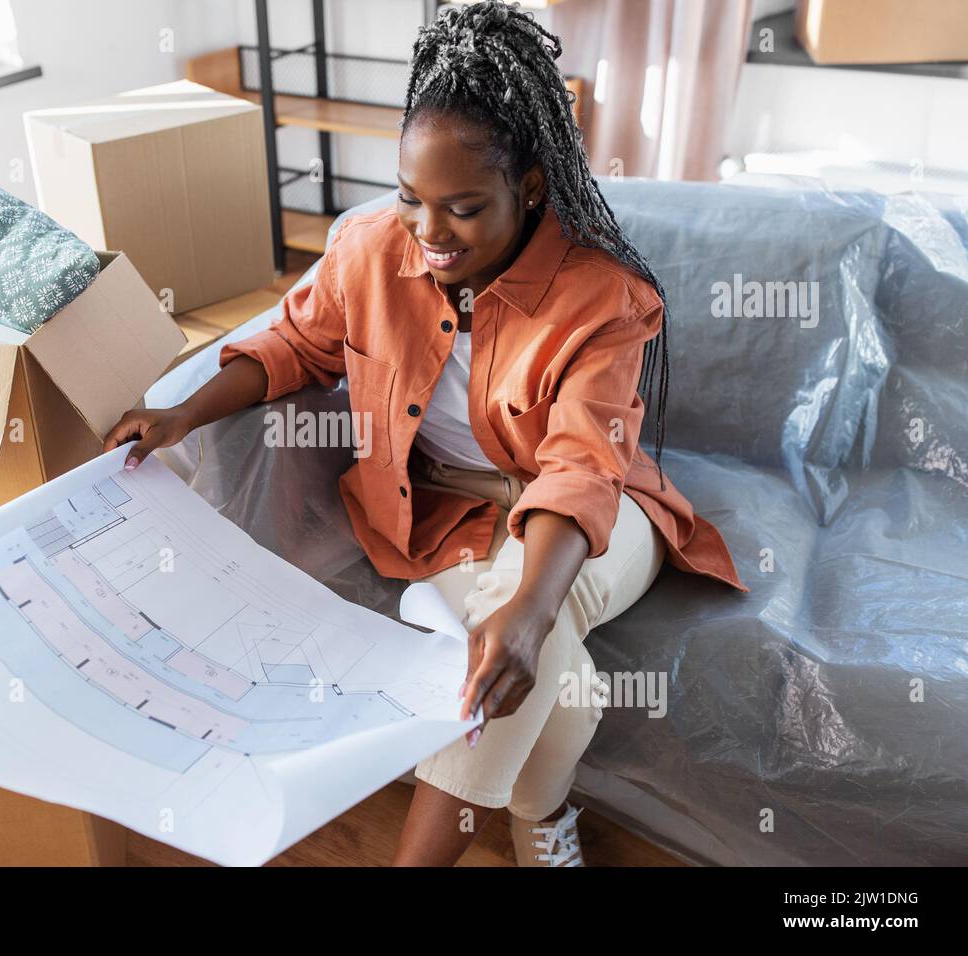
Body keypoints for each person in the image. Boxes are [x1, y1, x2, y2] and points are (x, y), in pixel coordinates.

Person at [102, 0, 747, 867]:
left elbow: (581, 467)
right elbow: (294, 345)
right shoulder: (372, 250)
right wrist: (185, 410)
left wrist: (529, 603)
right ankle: (545, 817)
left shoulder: (603, 297)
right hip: (443, 517)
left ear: (529, 188)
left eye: (463, 208)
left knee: (525, 628)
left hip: (599, 512)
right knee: (559, 683)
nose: (430, 233)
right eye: (411, 198)